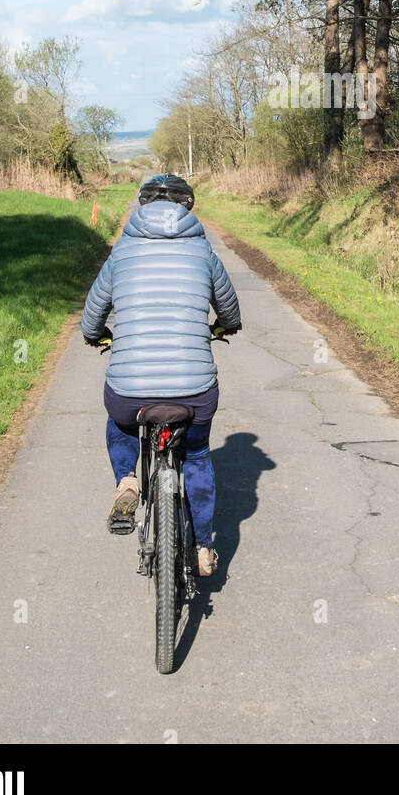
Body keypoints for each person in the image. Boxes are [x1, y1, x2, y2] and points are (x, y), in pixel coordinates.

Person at [80, 172, 241, 576]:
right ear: (188, 207)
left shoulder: (122, 252)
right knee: (198, 455)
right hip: (194, 391)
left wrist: (99, 336)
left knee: (120, 426)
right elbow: (230, 312)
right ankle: (203, 549)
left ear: (141, 206)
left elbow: (91, 318)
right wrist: (223, 328)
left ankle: (128, 481)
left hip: (129, 392)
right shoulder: (204, 252)